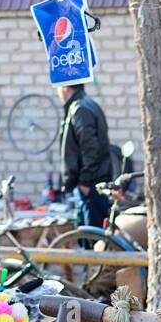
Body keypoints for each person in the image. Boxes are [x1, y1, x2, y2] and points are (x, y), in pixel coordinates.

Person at [57, 83, 113, 229]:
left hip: (91, 186)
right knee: (90, 237)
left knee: (92, 239)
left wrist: (85, 182)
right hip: (92, 184)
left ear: (65, 88)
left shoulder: (80, 109)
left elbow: (90, 149)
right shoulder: (87, 104)